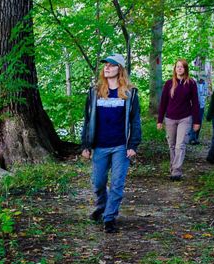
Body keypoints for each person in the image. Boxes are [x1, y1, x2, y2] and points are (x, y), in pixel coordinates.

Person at [81, 54, 142, 233]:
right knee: (98, 182)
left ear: (120, 69)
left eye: (112, 65)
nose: (107, 68)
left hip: (120, 146)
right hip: (100, 145)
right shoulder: (95, 92)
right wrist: (85, 145)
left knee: (117, 183)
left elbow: (135, 121)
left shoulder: (130, 93)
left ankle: (109, 218)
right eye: (105, 65)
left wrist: (133, 145)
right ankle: (102, 206)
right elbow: (87, 120)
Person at [156, 59, 201, 180]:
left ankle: (176, 171)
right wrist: (160, 120)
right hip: (170, 119)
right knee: (171, 145)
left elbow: (195, 103)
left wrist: (197, 121)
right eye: (177, 67)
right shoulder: (169, 83)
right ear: (175, 69)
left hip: (185, 118)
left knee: (180, 145)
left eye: (182, 67)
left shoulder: (191, 83)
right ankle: (173, 167)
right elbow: (163, 103)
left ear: (185, 69)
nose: (179, 69)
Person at [188, 77, 209, 145]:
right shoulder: (193, 82)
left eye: (203, 76)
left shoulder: (205, 84)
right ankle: (191, 139)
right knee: (193, 121)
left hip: (201, 106)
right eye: (200, 76)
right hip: (193, 106)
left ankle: (196, 138)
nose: (201, 78)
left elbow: (205, 94)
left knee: (199, 121)